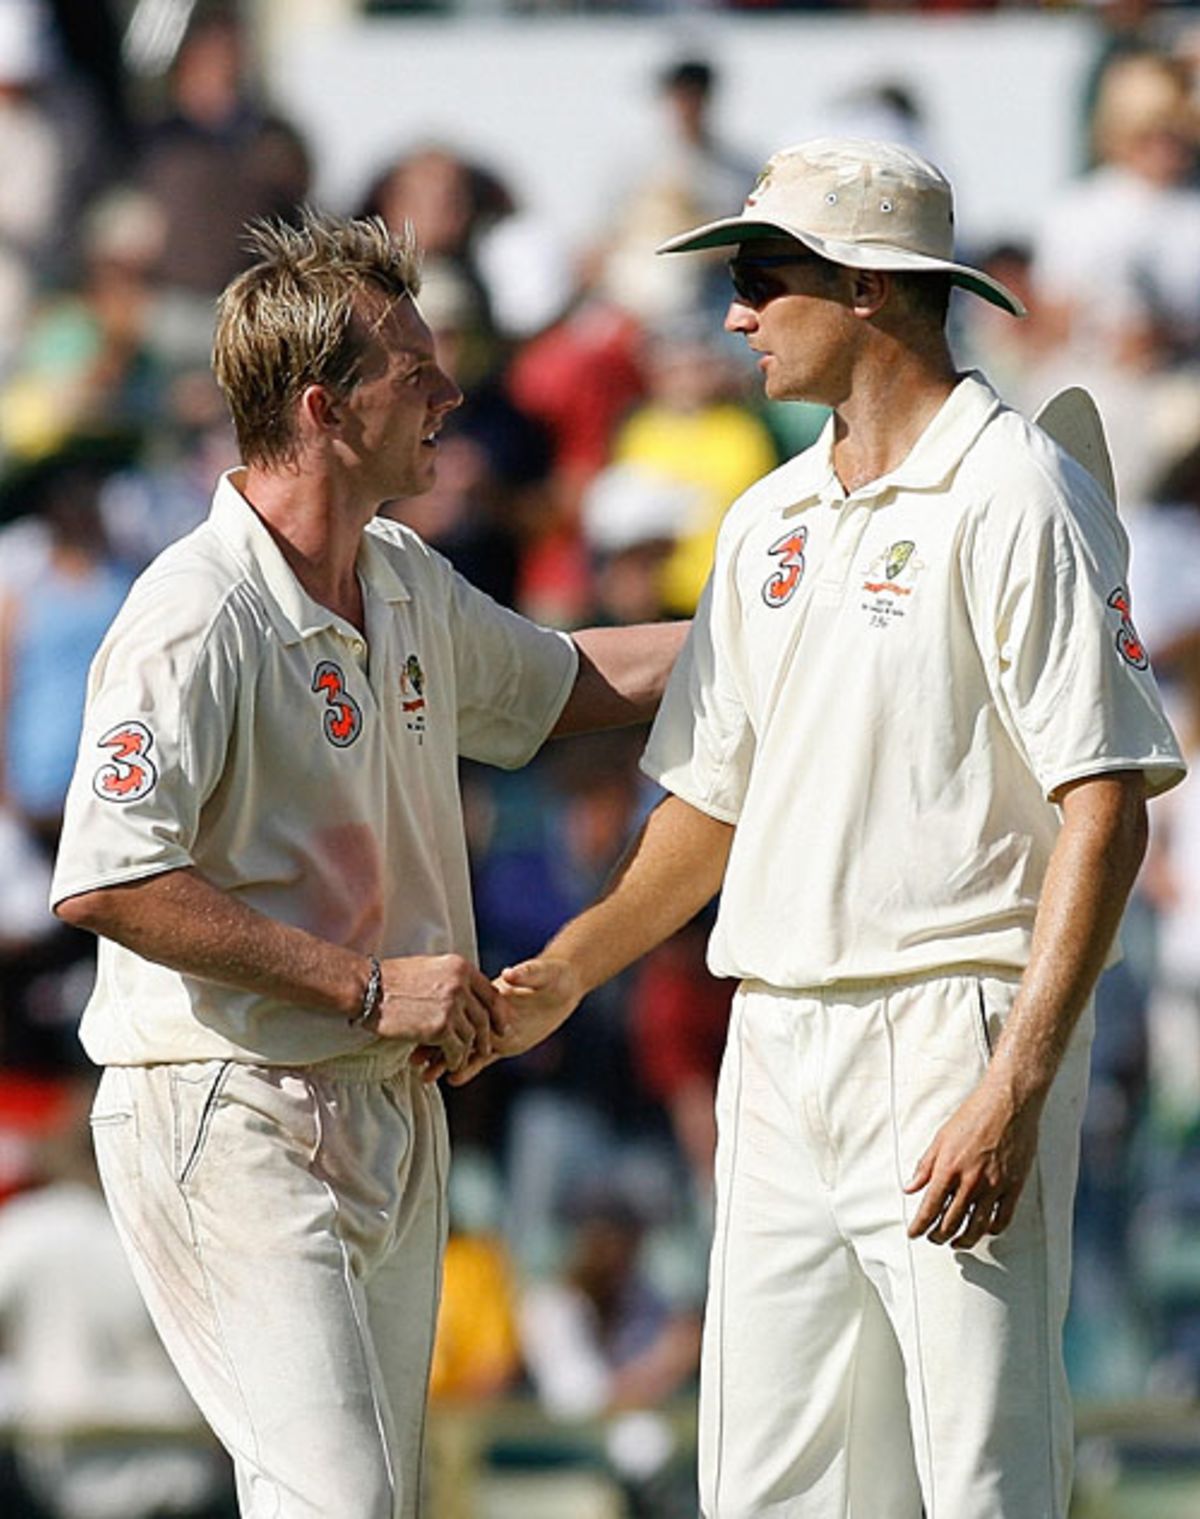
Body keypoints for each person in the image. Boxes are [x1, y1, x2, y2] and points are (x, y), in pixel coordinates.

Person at [459, 138, 1188, 1518]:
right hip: (779, 1037)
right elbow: (717, 803)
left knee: (979, 1475)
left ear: (868, 288)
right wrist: (566, 969)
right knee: (764, 1485)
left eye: (759, 277)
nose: (733, 315)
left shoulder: (1017, 492)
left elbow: (1105, 807)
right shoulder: (769, 519)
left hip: (954, 1027)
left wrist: (1014, 1085)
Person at [48, 209, 686, 1519]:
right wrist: (359, 986)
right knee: (330, 1503)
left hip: (387, 1101)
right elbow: (106, 876)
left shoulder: (397, 571)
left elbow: (570, 684)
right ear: (331, 408)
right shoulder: (194, 613)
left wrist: (793, 620)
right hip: (227, 1105)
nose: (453, 394)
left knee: (372, 1506)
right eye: (419, 372)